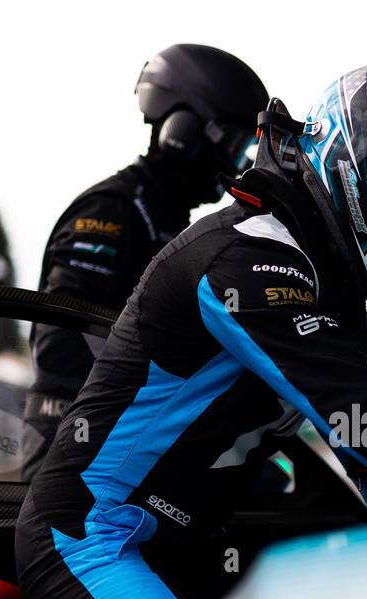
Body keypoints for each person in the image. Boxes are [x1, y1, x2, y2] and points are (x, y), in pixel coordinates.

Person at [16, 64, 367, 599]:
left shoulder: (325, 282)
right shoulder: (246, 254)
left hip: (181, 547)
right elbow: (366, 419)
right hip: (92, 542)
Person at [22, 44, 268, 480]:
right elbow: (69, 344)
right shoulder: (112, 212)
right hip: (75, 457)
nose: (239, 162)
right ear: (184, 132)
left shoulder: (170, 224)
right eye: (233, 144)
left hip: (129, 449)